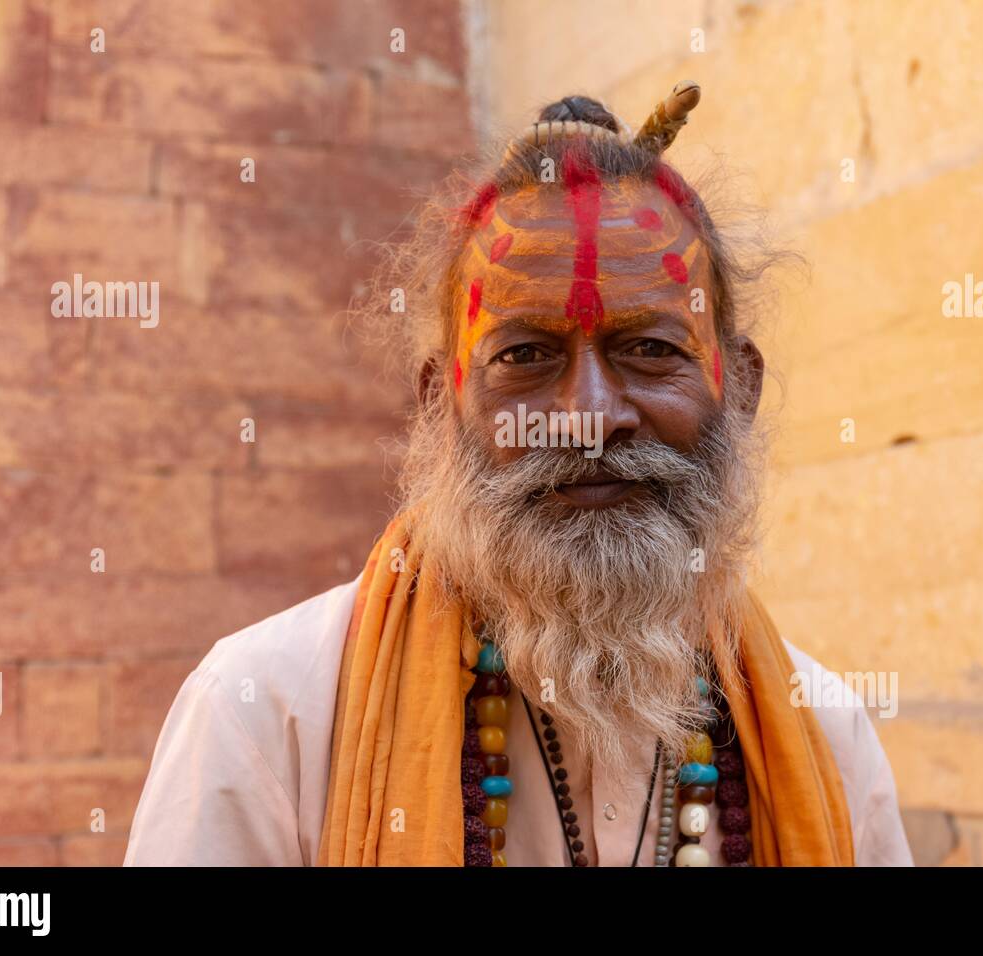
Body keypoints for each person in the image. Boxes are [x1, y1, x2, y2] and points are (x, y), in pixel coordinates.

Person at [124, 82, 913, 867]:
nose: (588, 416)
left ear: (737, 389)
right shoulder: (269, 716)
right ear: (442, 401)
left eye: (651, 350)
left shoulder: (826, 734)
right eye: (526, 356)